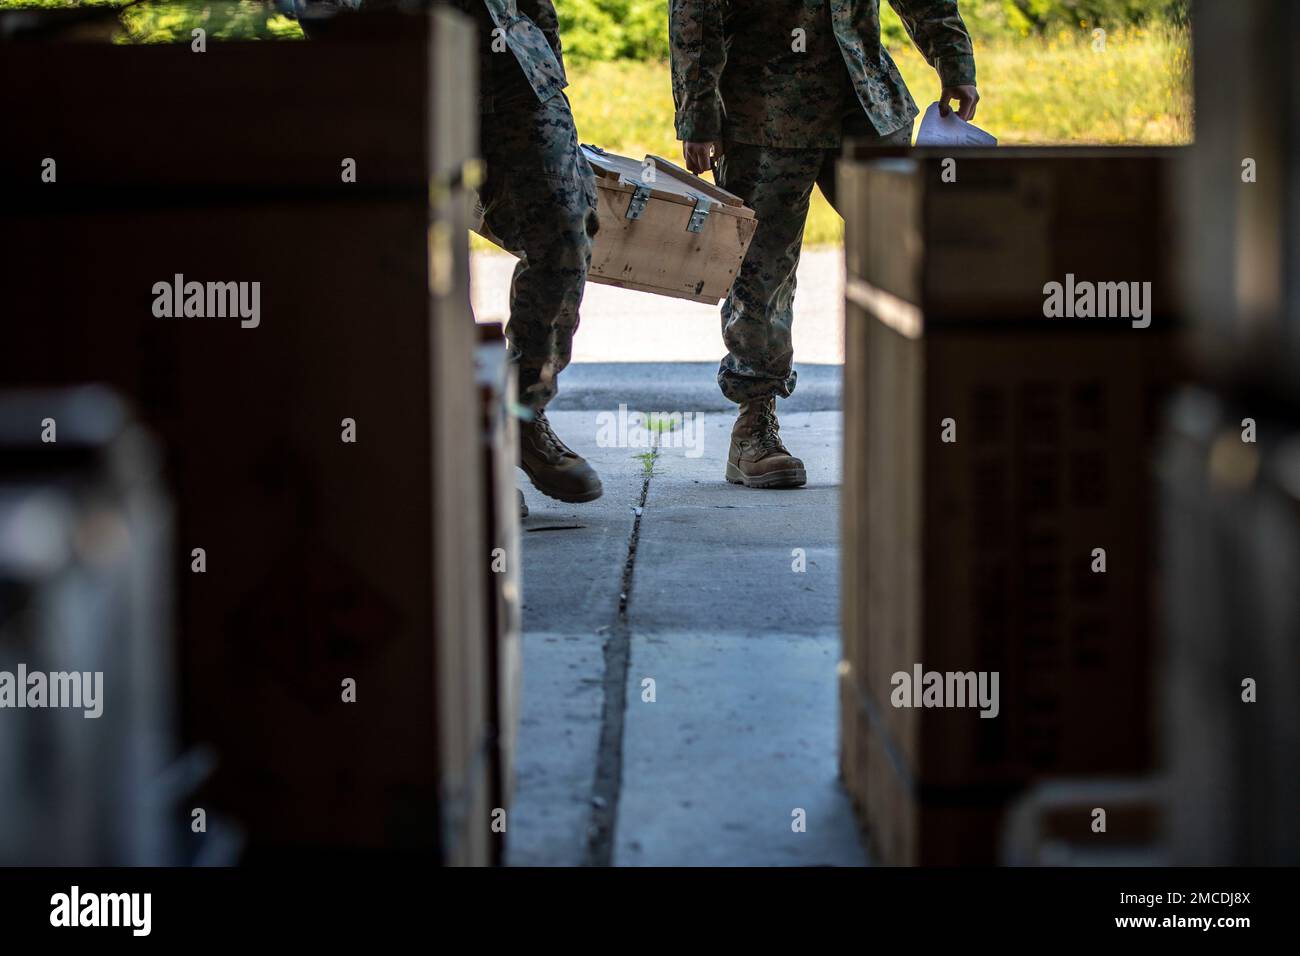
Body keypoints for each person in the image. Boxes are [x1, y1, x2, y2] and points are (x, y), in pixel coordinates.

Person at [294, 0, 603, 505]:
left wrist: (549, 69)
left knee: (567, 227)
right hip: (405, 72)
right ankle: (466, 440)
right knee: (424, 257)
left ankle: (522, 413)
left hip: (516, 71)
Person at [670, 0, 979, 488]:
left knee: (907, 259)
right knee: (761, 272)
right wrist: (698, 113)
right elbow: (695, 14)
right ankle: (755, 425)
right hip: (763, 108)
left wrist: (953, 58)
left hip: (867, 103)